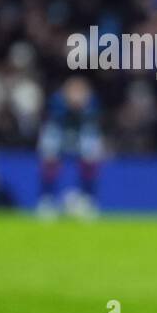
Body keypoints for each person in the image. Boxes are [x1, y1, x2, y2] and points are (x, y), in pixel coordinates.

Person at [37, 75, 102, 220]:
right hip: (58, 131)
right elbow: (52, 118)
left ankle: (87, 199)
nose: (76, 95)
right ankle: (47, 200)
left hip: (82, 133)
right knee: (49, 157)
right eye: (73, 91)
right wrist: (70, 107)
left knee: (91, 157)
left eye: (80, 91)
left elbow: (94, 122)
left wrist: (81, 107)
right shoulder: (57, 102)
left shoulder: (92, 104)